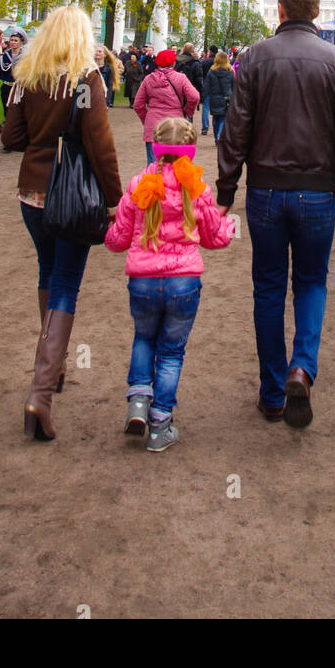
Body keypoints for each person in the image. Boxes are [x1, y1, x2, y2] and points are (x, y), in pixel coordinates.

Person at [216, 0, 335, 429]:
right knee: (310, 282)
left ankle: (273, 391)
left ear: (281, 9)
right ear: (316, 12)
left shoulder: (255, 58)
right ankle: (301, 367)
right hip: (317, 193)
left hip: (265, 191)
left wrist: (226, 192)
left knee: (267, 287)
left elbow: (235, 129)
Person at [1, 5, 123, 442]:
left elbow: (10, 138)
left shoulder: (28, 75)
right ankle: (41, 390)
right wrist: (115, 200)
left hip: (32, 192)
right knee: (67, 283)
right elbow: (100, 144)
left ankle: (52, 372)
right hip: (70, 193)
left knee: (47, 273)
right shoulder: (86, 79)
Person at [105, 116, 234, 451]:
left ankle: (137, 401)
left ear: (156, 146)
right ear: (189, 150)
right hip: (183, 281)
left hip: (143, 281)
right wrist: (228, 229)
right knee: (172, 352)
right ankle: (160, 423)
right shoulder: (197, 190)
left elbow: (117, 239)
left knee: (144, 338)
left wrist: (110, 230)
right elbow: (215, 237)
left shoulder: (137, 184)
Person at [133, 48, 199, 166]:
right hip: (176, 124)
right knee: (177, 165)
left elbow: (138, 105)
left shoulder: (148, 79)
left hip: (153, 125)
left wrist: (146, 119)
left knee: (154, 166)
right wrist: (187, 112)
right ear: (173, 62)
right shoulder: (180, 78)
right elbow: (194, 97)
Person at [205, 50, 235, 143]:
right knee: (223, 118)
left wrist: (203, 97)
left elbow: (207, 86)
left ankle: (216, 137)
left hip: (214, 98)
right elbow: (233, 85)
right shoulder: (230, 71)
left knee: (215, 118)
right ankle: (219, 135)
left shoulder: (211, 71)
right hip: (226, 98)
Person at [0, 28, 28, 118]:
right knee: (6, 110)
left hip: (19, 87)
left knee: (18, 111)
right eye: (11, 40)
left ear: (21, 42)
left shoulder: (25, 57)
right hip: (7, 86)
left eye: (16, 40)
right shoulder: (4, 56)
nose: (13, 42)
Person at [199, 44, 218, 136]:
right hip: (217, 88)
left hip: (207, 86)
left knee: (205, 108)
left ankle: (205, 127)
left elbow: (201, 74)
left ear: (210, 51)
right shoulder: (219, 63)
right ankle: (217, 127)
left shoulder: (205, 62)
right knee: (217, 109)